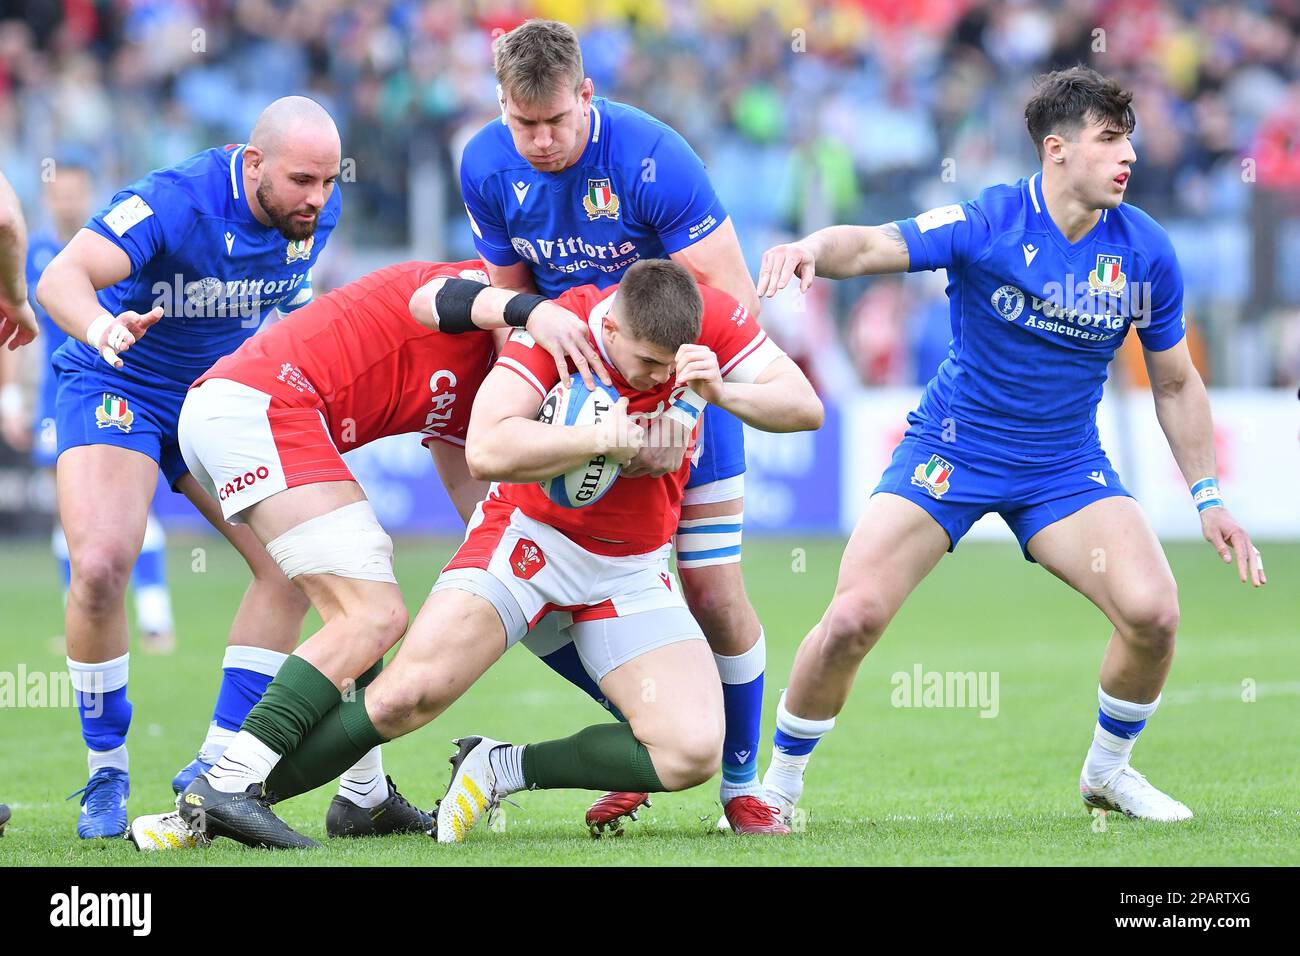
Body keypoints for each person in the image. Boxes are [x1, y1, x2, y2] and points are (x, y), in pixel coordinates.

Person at [754, 67, 1264, 825]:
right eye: (1110, 139)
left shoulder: (1146, 251)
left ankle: (1107, 775)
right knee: (854, 617)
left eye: (1130, 139)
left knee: (1154, 613)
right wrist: (810, 249)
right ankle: (778, 789)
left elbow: (1176, 385)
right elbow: (869, 246)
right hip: (952, 450)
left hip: (1063, 466)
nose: (1129, 155)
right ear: (1056, 150)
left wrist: (1208, 496)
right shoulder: (989, 221)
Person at [176, 258, 821, 848]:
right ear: (615, 325)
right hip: (527, 540)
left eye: (669, 366)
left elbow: (804, 406)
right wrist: (601, 437)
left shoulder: (706, 319)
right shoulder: (558, 329)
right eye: (648, 363)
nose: (658, 378)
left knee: (690, 751)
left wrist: (719, 392)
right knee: (405, 697)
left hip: (631, 569)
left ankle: (500, 766)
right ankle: (212, 809)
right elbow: (486, 448)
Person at [127, 258, 599, 849]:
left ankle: (364, 797)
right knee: (371, 615)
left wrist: (545, 565)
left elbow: (478, 500)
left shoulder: (498, 390)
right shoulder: (481, 287)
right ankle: (227, 780)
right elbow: (438, 296)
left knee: (362, 581)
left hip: (251, 411)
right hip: (261, 406)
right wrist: (533, 311)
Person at [459, 18, 781, 834]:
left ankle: (742, 786)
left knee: (710, 590)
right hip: (574, 413)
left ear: (587, 96)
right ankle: (648, 732)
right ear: (500, 106)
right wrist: (526, 408)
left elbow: (729, 299)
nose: (536, 140)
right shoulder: (484, 163)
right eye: (520, 122)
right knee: (535, 598)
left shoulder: (654, 157)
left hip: (679, 395)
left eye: (554, 122)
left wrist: (685, 404)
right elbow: (509, 303)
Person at [35, 97, 342, 839]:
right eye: (304, 180)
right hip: (121, 384)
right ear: (254, 160)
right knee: (103, 565)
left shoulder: (310, 219)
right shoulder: (175, 201)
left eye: (331, 182)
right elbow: (61, 280)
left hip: (216, 404)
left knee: (295, 568)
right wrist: (105, 325)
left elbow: (288, 313)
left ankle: (214, 765)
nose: (318, 199)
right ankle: (105, 770)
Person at [0, 157, 176, 652]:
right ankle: (77, 615)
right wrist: (12, 399)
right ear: (48, 197)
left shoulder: (113, 251)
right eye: (59, 192)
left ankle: (156, 617)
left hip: (113, 384)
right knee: (70, 513)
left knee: (129, 506)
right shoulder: (32, 252)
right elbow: (17, 326)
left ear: (89, 193)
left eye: (76, 191)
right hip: (57, 397)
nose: (68, 200)